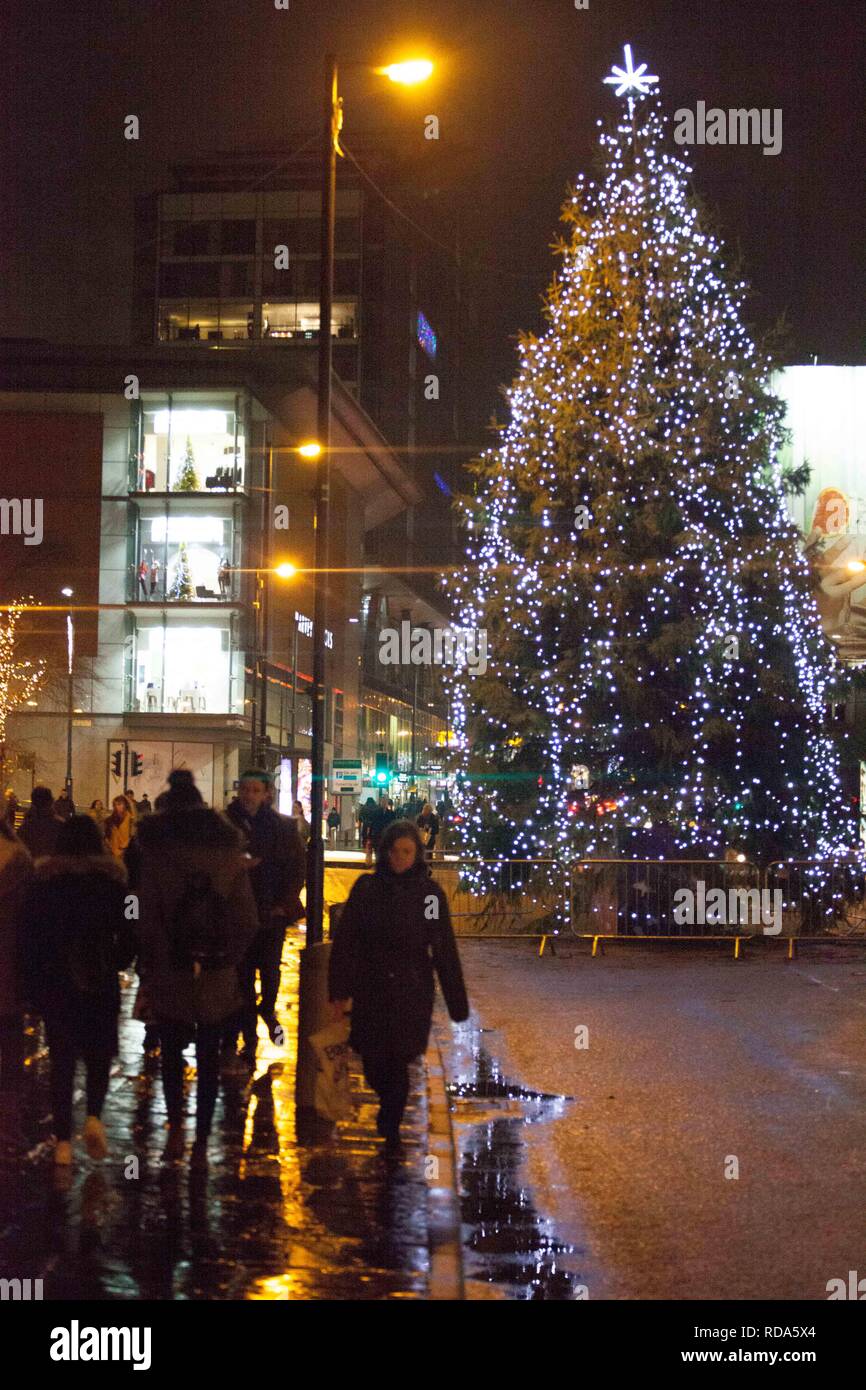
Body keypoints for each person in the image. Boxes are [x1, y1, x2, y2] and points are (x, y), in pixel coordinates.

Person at [136, 771, 259, 1165]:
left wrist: (149, 956)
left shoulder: (154, 855)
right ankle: (203, 1140)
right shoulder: (229, 856)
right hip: (216, 971)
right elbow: (249, 919)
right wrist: (230, 957)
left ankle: (175, 1129)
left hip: (169, 968)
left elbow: (138, 911)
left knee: (171, 1051)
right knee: (208, 1057)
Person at [329, 819, 469, 1151]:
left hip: (411, 988)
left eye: (407, 852)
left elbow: (442, 945)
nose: (399, 858)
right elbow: (347, 941)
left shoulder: (430, 895)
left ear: (417, 854)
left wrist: (456, 1002)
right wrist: (338, 990)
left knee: (399, 1058)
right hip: (372, 987)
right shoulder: (366, 889)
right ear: (385, 852)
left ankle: (390, 1125)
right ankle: (388, 1110)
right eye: (394, 851)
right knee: (373, 1059)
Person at [21, 815, 135, 1164]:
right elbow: (131, 922)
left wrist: (34, 984)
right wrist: (119, 960)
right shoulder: (115, 883)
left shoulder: (44, 884)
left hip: (58, 983)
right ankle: (94, 1118)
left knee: (63, 1061)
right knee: (99, 1055)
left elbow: (28, 934)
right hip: (99, 980)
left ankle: (64, 1143)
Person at [225, 771, 306, 1060]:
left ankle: (268, 1010)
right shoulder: (227, 823)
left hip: (271, 912)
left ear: (266, 794)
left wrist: (284, 903)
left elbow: (297, 867)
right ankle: (249, 1036)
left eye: (255, 790)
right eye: (245, 789)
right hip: (237, 914)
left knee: (270, 973)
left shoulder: (281, 827)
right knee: (243, 977)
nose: (249, 795)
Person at [0, 819, 32, 1088]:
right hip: (10, 965)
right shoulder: (21, 862)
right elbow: (132, 901)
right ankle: (9, 1116)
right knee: (11, 1040)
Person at [19, 786, 63, 860]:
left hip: (31, 868)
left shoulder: (25, 827)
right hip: (54, 869)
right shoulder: (60, 825)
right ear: (51, 802)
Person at [104, 795, 134, 859]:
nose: (118, 807)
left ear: (126, 805)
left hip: (126, 852)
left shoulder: (131, 819)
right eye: (115, 805)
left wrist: (124, 847)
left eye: (120, 804)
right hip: (113, 852)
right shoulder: (109, 820)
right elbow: (106, 836)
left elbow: (132, 836)